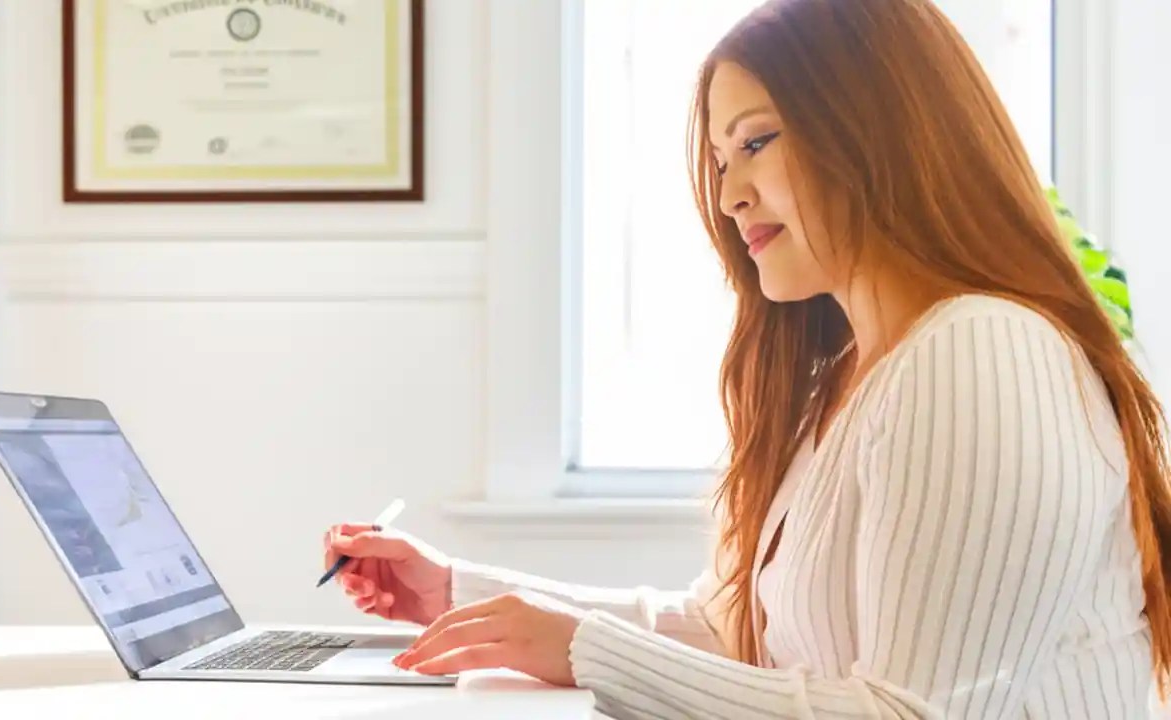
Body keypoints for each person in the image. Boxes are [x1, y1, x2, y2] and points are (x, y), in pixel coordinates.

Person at [323, 0, 1171, 716]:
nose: (728, 196)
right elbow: (734, 629)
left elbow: (911, 712)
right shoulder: (850, 381)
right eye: (722, 161)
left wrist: (589, 653)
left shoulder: (983, 352)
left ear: (884, 133)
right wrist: (458, 594)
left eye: (757, 143)